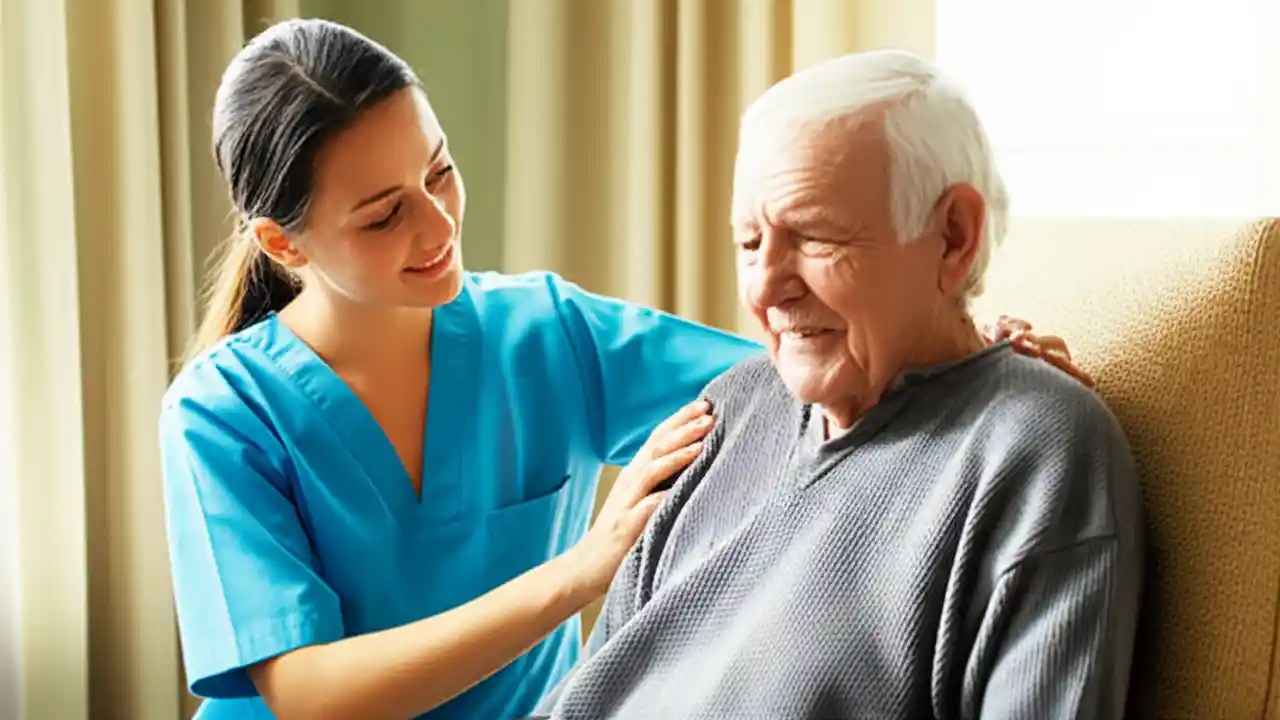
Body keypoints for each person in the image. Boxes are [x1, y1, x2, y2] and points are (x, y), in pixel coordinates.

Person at [159, 19, 1091, 720]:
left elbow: (806, 375)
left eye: (439, 173)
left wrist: (968, 344)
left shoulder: (543, 334)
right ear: (284, 242)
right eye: (383, 214)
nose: (439, 228)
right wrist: (579, 574)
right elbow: (307, 691)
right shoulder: (221, 413)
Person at [534, 50, 1144, 720]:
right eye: (747, 243)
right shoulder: (729, 409)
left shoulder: (1035, 451)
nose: (765, 287)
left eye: (816, 237)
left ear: (952, 238)